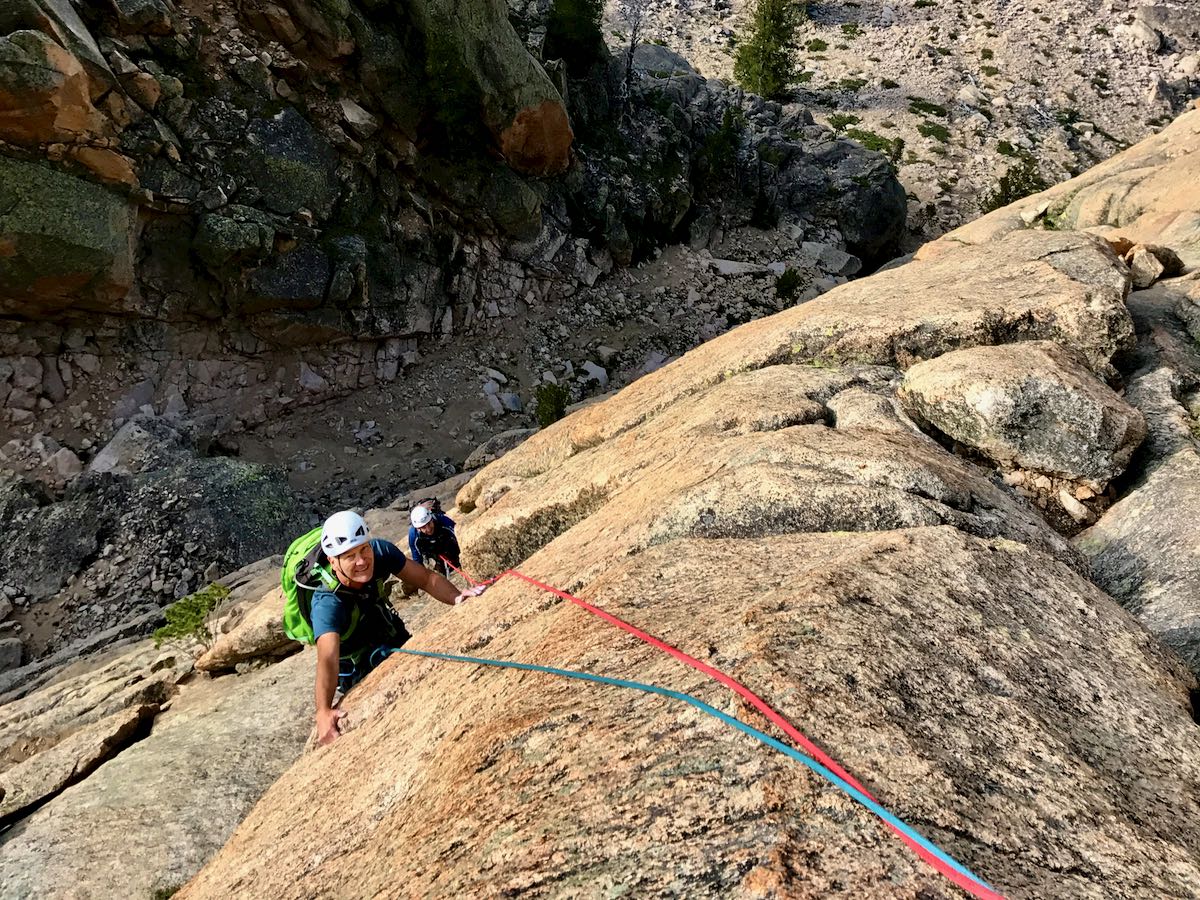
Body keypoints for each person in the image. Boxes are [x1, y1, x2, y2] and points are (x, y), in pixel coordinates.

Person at [309, 509, 484, 745]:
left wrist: (457, 597)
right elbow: (327, 657)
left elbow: (425, 579)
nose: (361, 561)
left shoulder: (381, 552)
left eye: (364, 549)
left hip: (388, 632)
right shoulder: (327, 603)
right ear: (333, 561)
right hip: (356, 663)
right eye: (349, 556)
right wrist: (322, 711)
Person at [407, 501, 461, 577]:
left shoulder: (443, 521)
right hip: (433, 553)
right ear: (418, 528)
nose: (428, 529)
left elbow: (460, 536)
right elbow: (417, 559)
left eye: (429, 524)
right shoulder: (414, 535)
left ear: (432, 519)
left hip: (450, 547)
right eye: (423, 527)